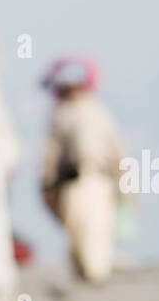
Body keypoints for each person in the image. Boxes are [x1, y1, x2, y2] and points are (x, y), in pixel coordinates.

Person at [40, 57, 125, 285]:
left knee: (95, 230)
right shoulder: (62, 115)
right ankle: (88, 273)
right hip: (71, 183)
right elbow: (51, 154)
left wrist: (125, 187)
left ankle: (96, 275)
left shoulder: (97, 112)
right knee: (77, 231)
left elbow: (116, 152)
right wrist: (47, 183)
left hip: (96, 181)